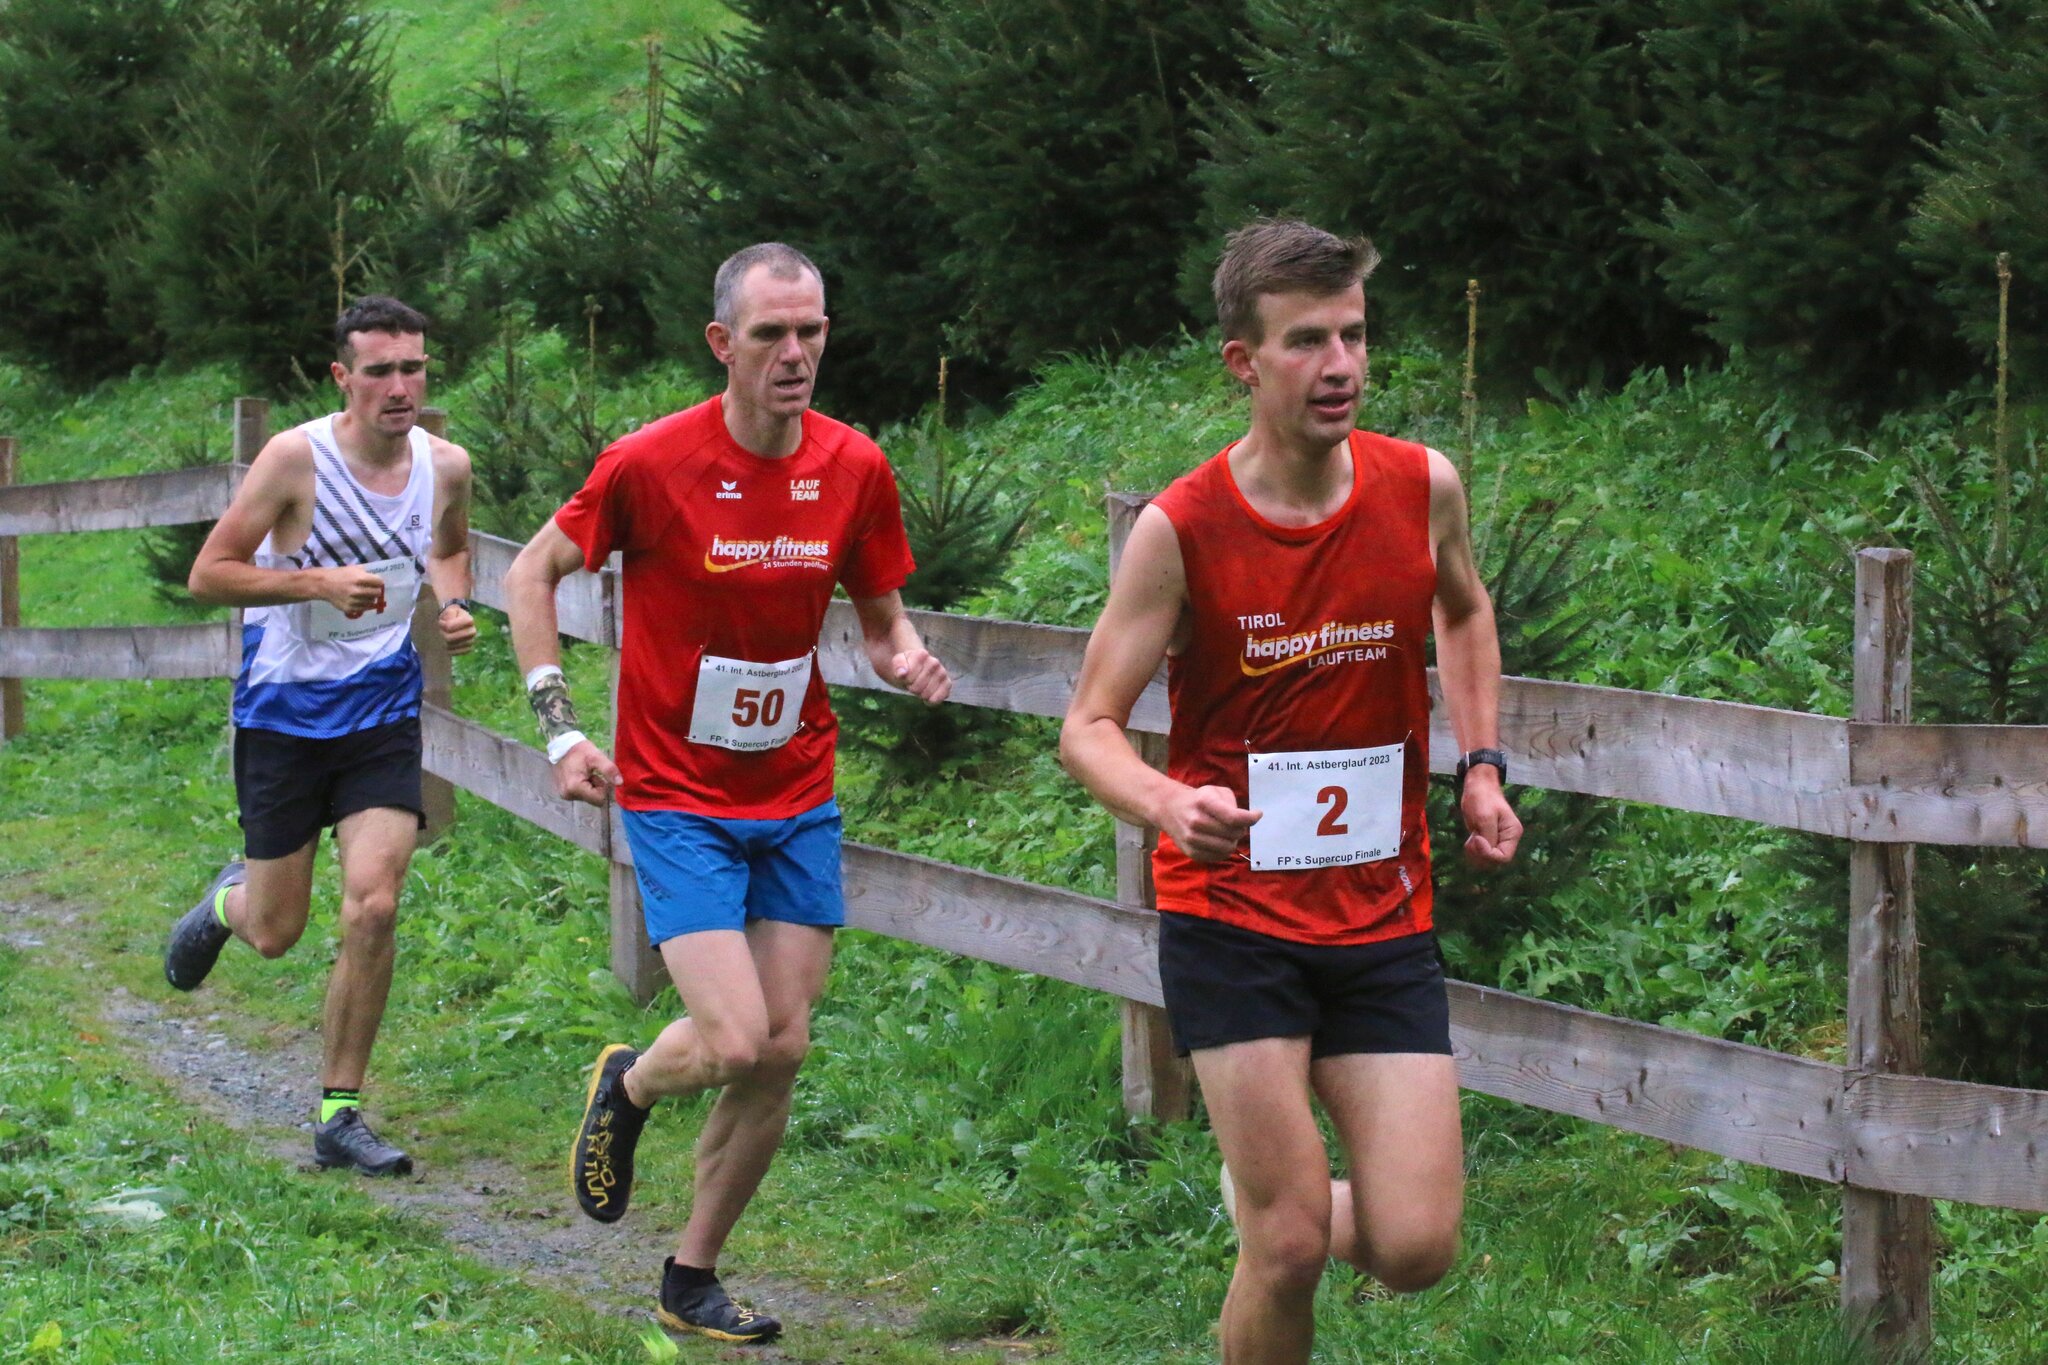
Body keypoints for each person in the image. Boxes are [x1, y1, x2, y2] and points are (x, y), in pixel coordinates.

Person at [1059, 219, 1523, 1364]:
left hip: (1379, 911)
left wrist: (1478, 763)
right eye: (1307, 341)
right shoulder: (1183, 528)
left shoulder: (1421, 487)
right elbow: (1088, 728)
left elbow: (1459, 612)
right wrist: (1167, 807)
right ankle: (1280, 1211)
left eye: (1354, 337)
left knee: (1416, 1246)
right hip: (1232, 921)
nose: (1340, 367)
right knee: (1287, 1251)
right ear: (1243, 362)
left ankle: (1280, 1200)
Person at [504, 242, 950, 1345]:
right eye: (770, 335)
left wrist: (901, 654)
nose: (795, 354)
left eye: (810, 332)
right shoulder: (650, 464)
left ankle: (690, 1273)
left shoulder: (853, 466)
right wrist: (560, 727)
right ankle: (637, 1085)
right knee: (739, 1039)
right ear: (722, 345)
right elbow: (529, 575)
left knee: (783, 1045)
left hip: (795, 787)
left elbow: (882, 612)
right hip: (674, 791)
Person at [165, 295, 477, 1177]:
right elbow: (208, 574)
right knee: (277, 930)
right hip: (283, 720)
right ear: (344, 377)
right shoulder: (294, 459)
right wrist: (313, 585)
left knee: (374, 902)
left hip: (379, 712)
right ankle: (227, 903)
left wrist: (452, 602)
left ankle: (341, 1111)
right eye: (378, 370)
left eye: (412, 367)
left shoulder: (445, 465)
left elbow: (451, 549)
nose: (399, 386)